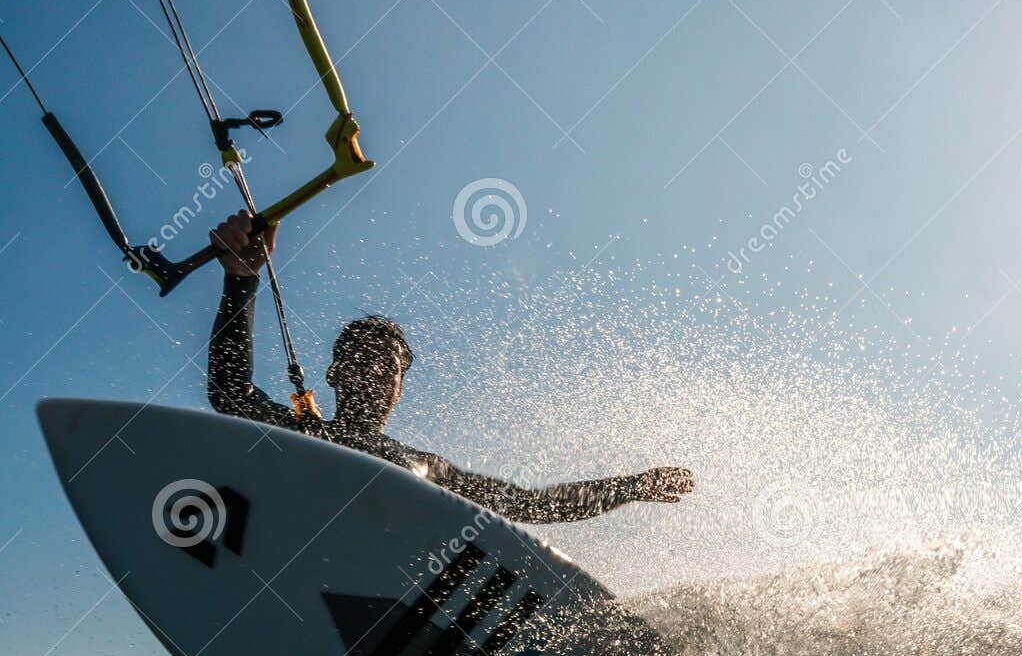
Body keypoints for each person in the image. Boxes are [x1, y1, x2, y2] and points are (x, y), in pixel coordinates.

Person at [207, 212, 694, 523]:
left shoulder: (429, 470)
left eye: (390, 366)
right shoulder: (298, 435)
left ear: (400, 391)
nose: (377, 371)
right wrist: (242, 282)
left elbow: (529, 505)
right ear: (333, 374)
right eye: (364, 358)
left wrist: (632, 486)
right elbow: (229, 392)